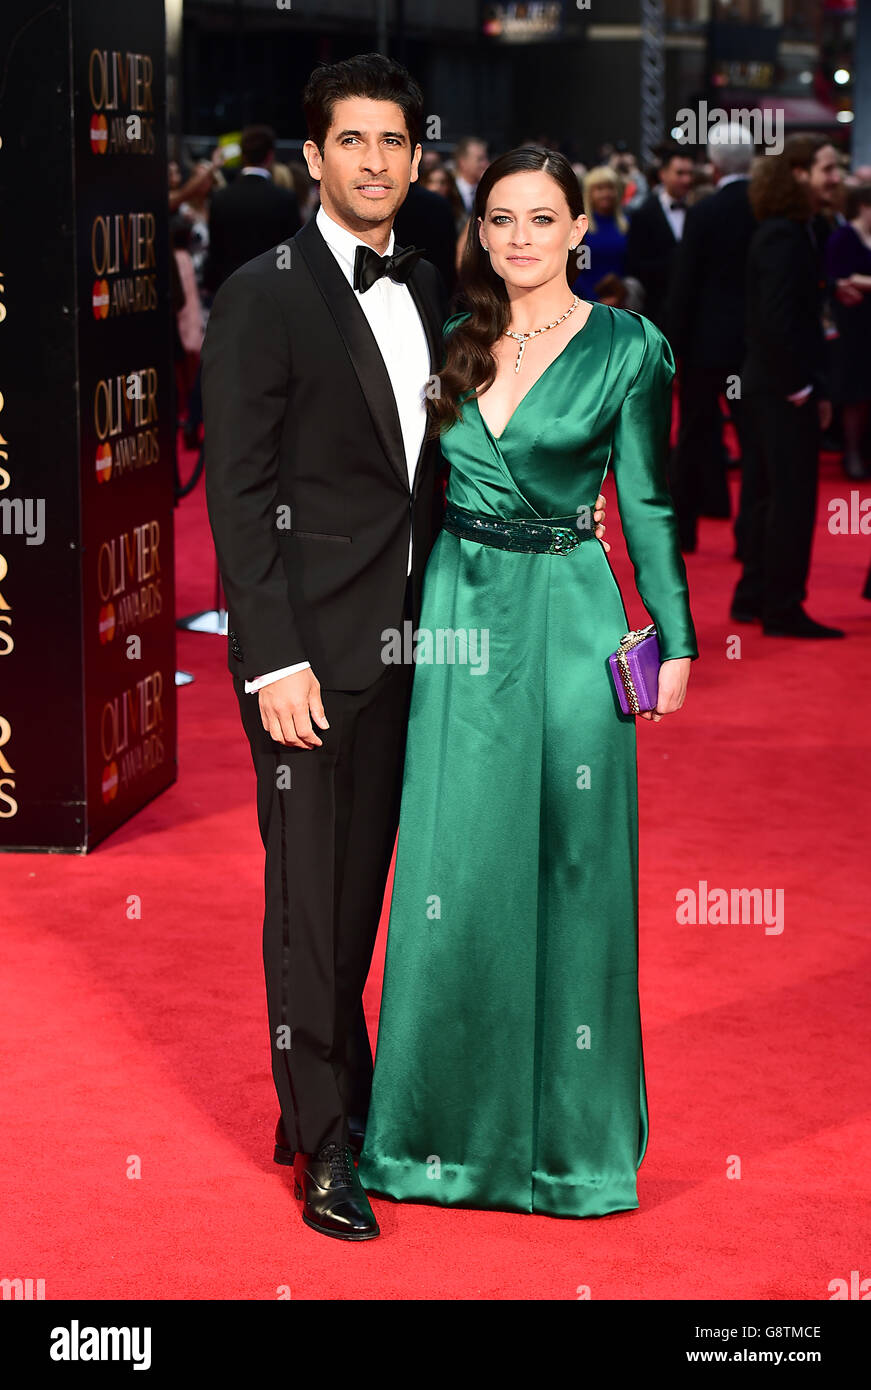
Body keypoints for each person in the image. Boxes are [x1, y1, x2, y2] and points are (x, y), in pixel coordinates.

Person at [201, 54, 611, 1240]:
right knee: (310, 906)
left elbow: (459, 449)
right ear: (315, 156)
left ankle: (324, 1100)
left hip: (413, 645)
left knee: (365, 896)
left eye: (395, 142)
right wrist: (270, 659)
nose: (375, 161)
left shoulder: (431, 283)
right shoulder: (259, 292)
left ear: (417, 157)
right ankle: (328, 1140)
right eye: (353, 141)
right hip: (304, 661)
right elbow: (236, 493)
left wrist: (553, 503)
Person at [357, 146, 697, 1220]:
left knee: (571, 867)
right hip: (458, 620)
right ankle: (435, 1144)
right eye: (499, 218)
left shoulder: (627, 347)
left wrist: (674, 637)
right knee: (452, 868)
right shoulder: (456, 343)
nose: (516, 239)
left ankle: (568, 1153)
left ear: (578, 230)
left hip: (566, 615)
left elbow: (643, 502)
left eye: (539, 220)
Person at [731, 135, 845, 639]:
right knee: (790, 500)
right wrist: (801, 388)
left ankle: (754, 595)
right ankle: (781, 606)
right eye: (827, 168)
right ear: (798, 173)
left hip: (772, 385)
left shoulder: (795, 231)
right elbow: (778, 321)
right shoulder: (784, 236)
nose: (836, 178)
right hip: (780, 389)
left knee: (766, 494)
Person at [667, 122, 757, 555]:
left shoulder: (703, 213)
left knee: (692, 437)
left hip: (705, 347)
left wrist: (673, 347)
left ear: (714, 164)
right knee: (754, 441)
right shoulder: (765, 209)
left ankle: (684, 530)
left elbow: (685, 284)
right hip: (753, 347)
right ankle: (750, 536)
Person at [203, 125, 301, 293]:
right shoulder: (285, 199)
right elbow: (289, 254)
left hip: (230, 290)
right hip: (273, 291)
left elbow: (216, 252)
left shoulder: (221, 198)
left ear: (242, 155)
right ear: (270, 156)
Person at [824, 184, 871, 480]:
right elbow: (835, 280)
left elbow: (852, 279)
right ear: (864, 206)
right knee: (856, 391)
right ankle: (851, 452)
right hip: (853, 327)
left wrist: (860, 281)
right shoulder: (842, 237)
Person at [624, 145, 694, 332]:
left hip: (692, 316)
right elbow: (635, 264)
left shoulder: (700, 211)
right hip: (656, 314)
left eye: (689, 173)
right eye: (680, 173)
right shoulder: (644, 214)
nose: (686, 179)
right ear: (663, 174)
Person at [570, 165, 628, 301]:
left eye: (610, 188)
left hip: (622, 301)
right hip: (588, 301)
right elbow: (579, 271)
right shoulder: (581, 227)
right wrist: (595, 300)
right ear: (589, 193)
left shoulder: (627, 225)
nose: (606, 194)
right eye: (600, 189)